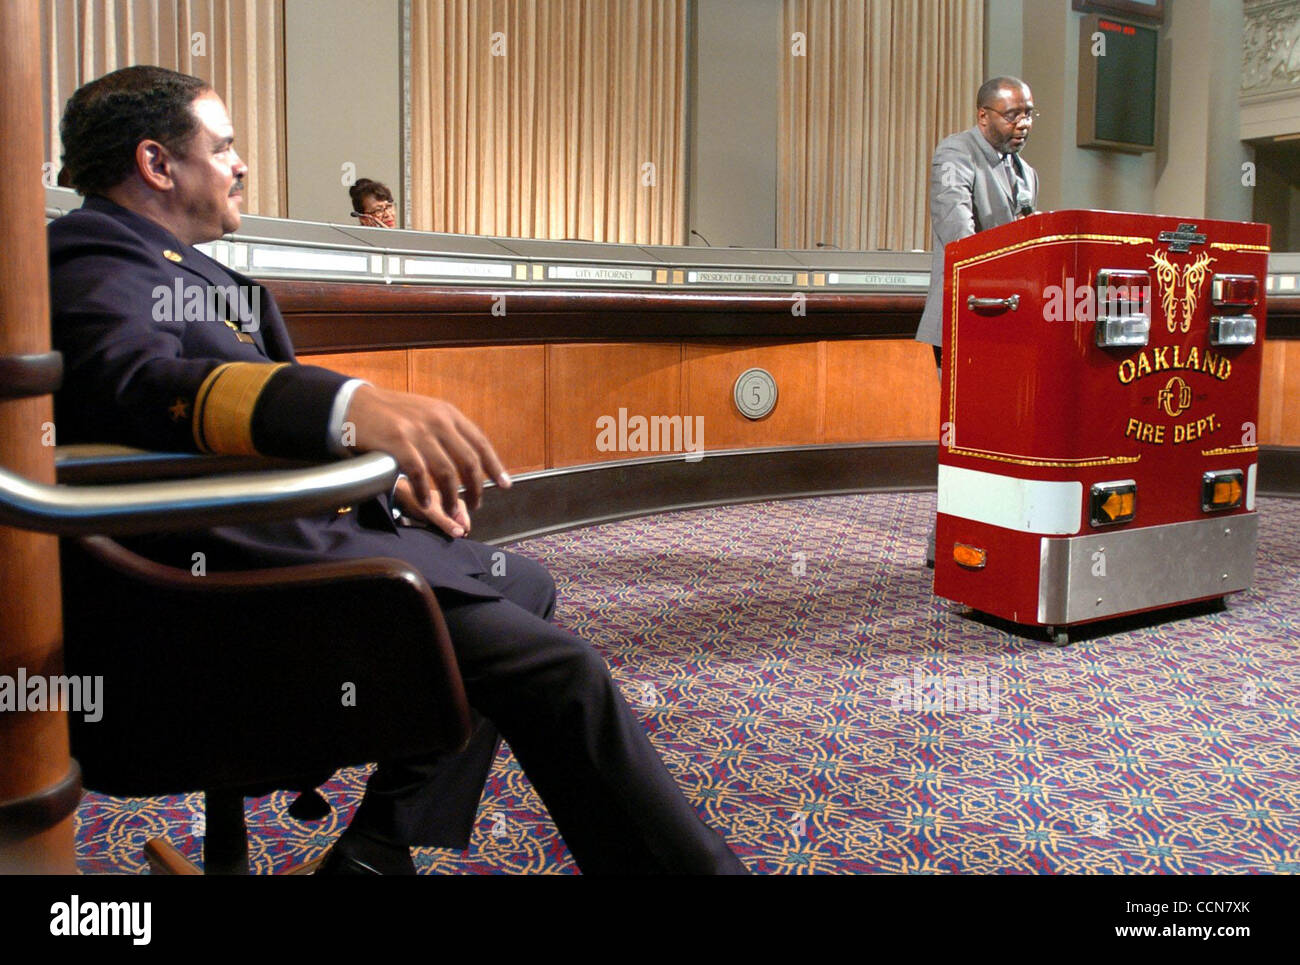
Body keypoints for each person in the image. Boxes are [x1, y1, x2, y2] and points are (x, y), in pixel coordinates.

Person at [49, 65, 746, 875]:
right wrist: (347, 407)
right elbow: (135, 383)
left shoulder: (168, 261)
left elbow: (220, 429)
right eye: (224, 146)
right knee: (565, 674)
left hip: (279, 545)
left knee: (524, 584)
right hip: (224, 595)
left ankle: (378, 846)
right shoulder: (93, 250)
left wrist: (377, 479)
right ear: (157, 165)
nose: (240, 165)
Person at [915, 76, 1039, 566]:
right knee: (964, 433)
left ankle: (991, 538)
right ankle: (944, 542)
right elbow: (959, 236)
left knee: (999, 436)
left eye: (1029, 113)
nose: (1023, 123)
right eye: (1013, 114)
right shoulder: (954, 154)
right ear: (983, 115)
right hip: (963, 321)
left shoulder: (1026, 171)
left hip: (1011, 325)